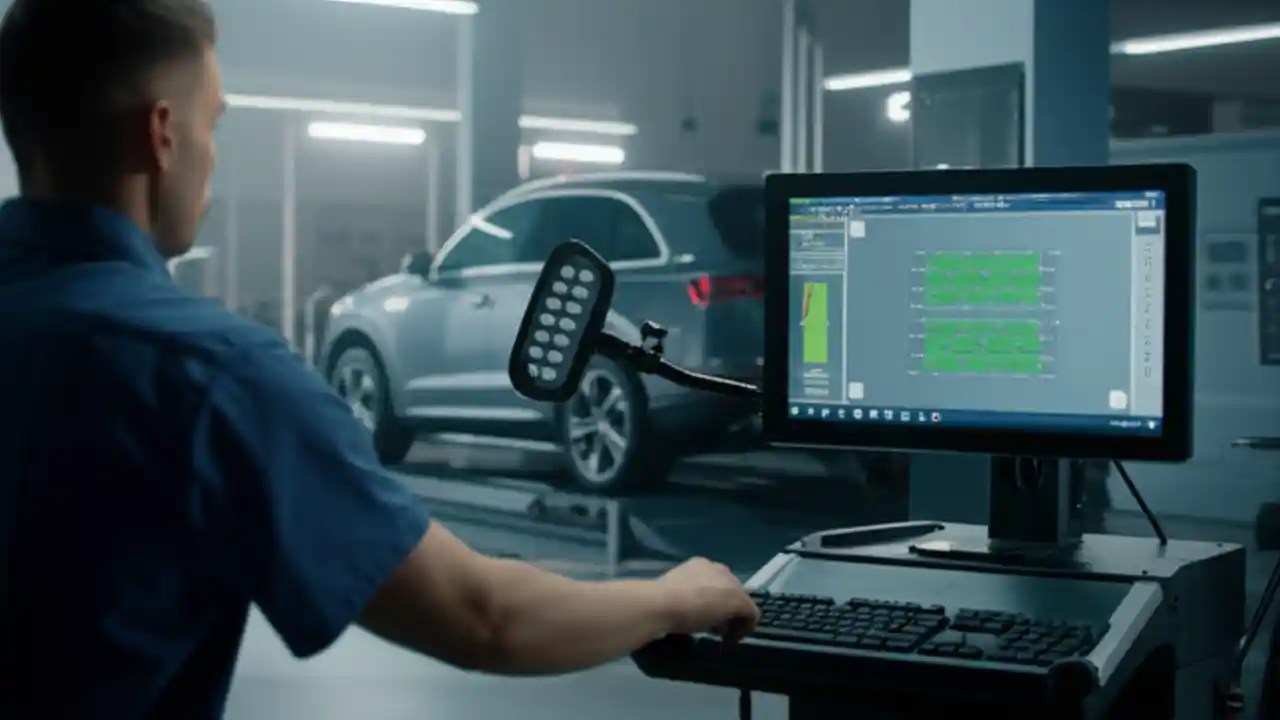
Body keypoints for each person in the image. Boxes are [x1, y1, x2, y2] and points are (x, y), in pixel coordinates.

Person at [0, 1, 759, 717]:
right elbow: (481, 617)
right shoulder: (210, 375)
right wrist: (673, 597)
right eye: (212, 124)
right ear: (163, 136)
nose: (213, 155)